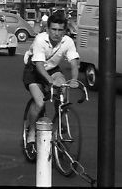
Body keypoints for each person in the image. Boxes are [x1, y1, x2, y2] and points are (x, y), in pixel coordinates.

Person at [22, 11, 80, 147]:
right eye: (53, 29)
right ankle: (30, 131)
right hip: (34, 70)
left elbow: (74, 62)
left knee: (62, 86)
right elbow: (40, 65)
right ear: (47, 29)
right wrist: (49, 80)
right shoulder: (40, 40)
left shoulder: (68, 42)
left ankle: (60, 118)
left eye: (60, 30)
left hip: (52, 69)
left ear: (65, 31)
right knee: (40, 103)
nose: (57, 33)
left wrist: (75, 79)